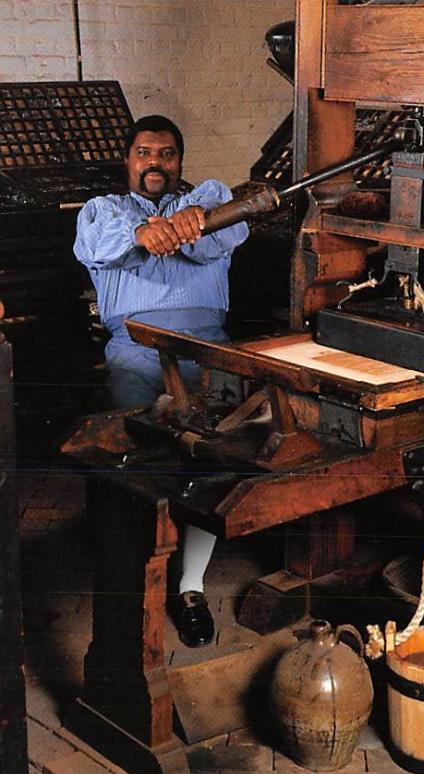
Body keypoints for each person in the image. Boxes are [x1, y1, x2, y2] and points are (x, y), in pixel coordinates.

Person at [74, 115, 249, 647]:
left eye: (167, 154)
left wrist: (197, 221)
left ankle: (190, 588)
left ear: (179, 162)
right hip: (135, 354)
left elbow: (231, 226)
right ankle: (134, 578)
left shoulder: (206, 200)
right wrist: (141, 233)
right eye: (145, 153)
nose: (155, 162)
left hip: (206, 354)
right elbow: (96, 243)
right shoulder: (102, 210)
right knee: (138, 464)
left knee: (213, 462)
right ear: (128, 161)